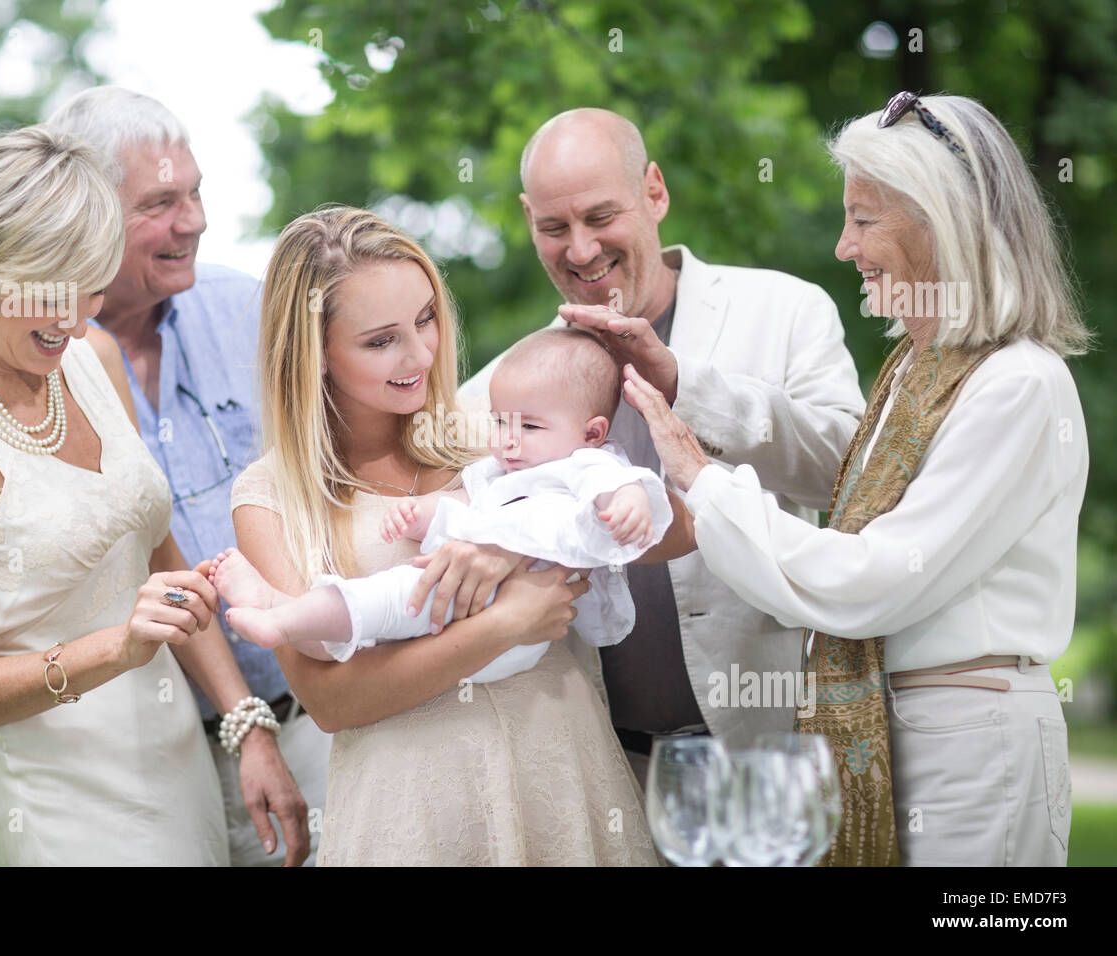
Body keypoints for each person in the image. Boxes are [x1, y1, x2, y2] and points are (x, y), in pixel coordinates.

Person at [623, 92, 1090, 866]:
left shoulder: (1018, 385)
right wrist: (689, 393)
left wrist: (703, 480)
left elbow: (869, 579)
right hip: (910, 728)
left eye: (865, 220)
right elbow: (825, 472)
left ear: (946, 221)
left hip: (969, 747)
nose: (845, 247)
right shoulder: (913, 372)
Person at [0, 86, 323, 867]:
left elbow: (156, 553)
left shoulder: (88, 354)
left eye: (89, 290)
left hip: (181, 764)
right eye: (53, 289)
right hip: (59, 799)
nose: (74, 317)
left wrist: (244, 722)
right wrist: (115, 650)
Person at [231, 205, 694, 865]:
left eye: (426, 319)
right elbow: (332, 700)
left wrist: (515, 542)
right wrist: (507, 621)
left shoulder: (500, 427)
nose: (420, 354)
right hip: (411, 809)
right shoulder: (271, 496)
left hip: (558, 764)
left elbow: (679, 526)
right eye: (380, 340)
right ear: (315, 354)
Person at [461, 107, 867, 782]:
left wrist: (682, 383)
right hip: (599, 769)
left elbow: (848, 477)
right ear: (528, 218)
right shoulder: (497, 387)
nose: (582, 249)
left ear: (655, 191)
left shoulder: (787, 309)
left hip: (766, 750)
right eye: (554, 227)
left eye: (600, 216)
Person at [208, 327, 672, 684]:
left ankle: (285, 614)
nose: (507, 440)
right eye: (499, 422)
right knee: (391, 596)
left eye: (529, 427)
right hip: (470, 609)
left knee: (399, 599)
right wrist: (423, 511)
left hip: (517, 624)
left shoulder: (586, 464)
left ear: (591, 432)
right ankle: (283, 611)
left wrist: (631, 502)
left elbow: (626, 486)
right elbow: (465, 497)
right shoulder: (503, 466)